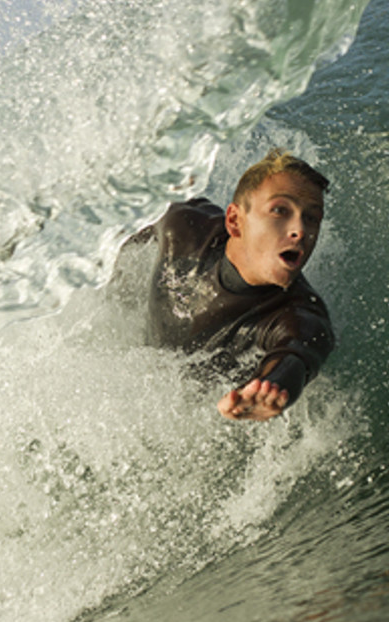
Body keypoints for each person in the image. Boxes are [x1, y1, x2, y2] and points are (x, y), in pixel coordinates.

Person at [140, 148, 333, 421]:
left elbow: (295, 356)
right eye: (280, 210)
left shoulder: (301, 314)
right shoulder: (185, 227)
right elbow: (132, 211)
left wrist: (269, 388)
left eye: (312, 217)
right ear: (234, 221)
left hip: (196, 414)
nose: (300, 230)